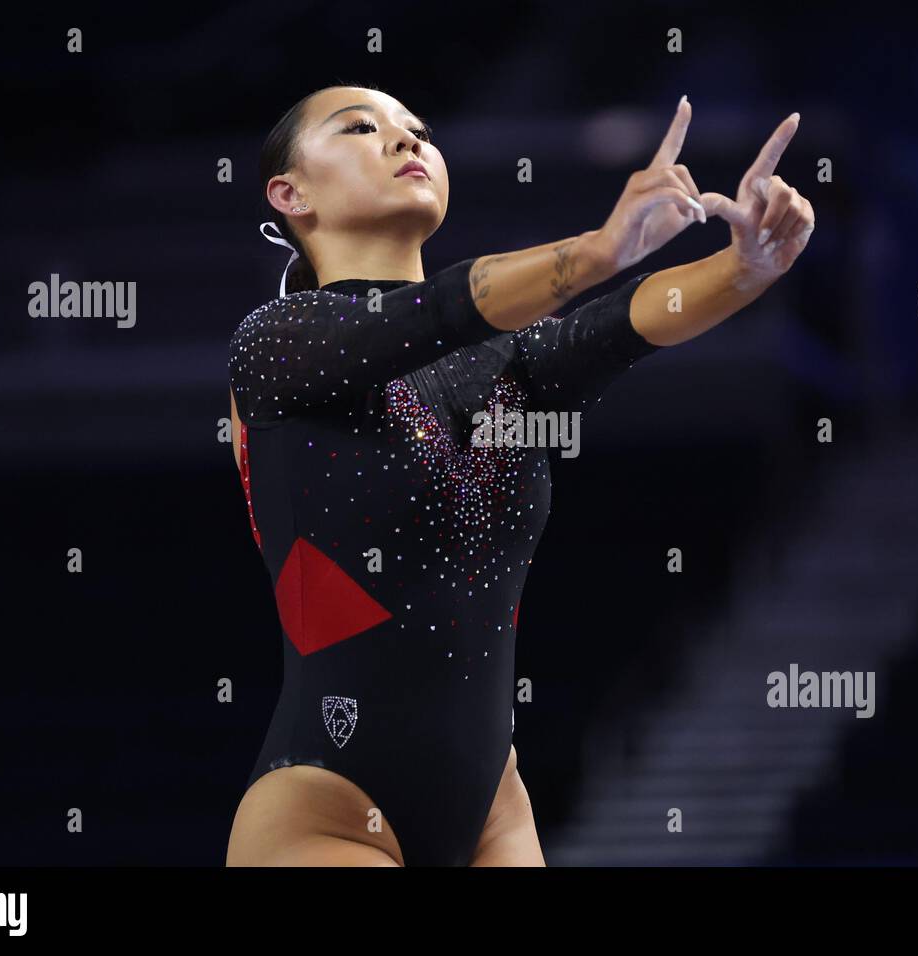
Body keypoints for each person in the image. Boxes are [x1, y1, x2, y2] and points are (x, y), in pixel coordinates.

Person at [225, 84, 814, 866]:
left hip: (493, 812)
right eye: (363, 128)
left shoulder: (509, 364)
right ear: (288, 193)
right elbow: (435, 312)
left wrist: (749, 264)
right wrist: (601, 249)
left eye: (419, 130)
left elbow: (630, 319)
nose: (407, 142)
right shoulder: (275, 348)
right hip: (324, 806)